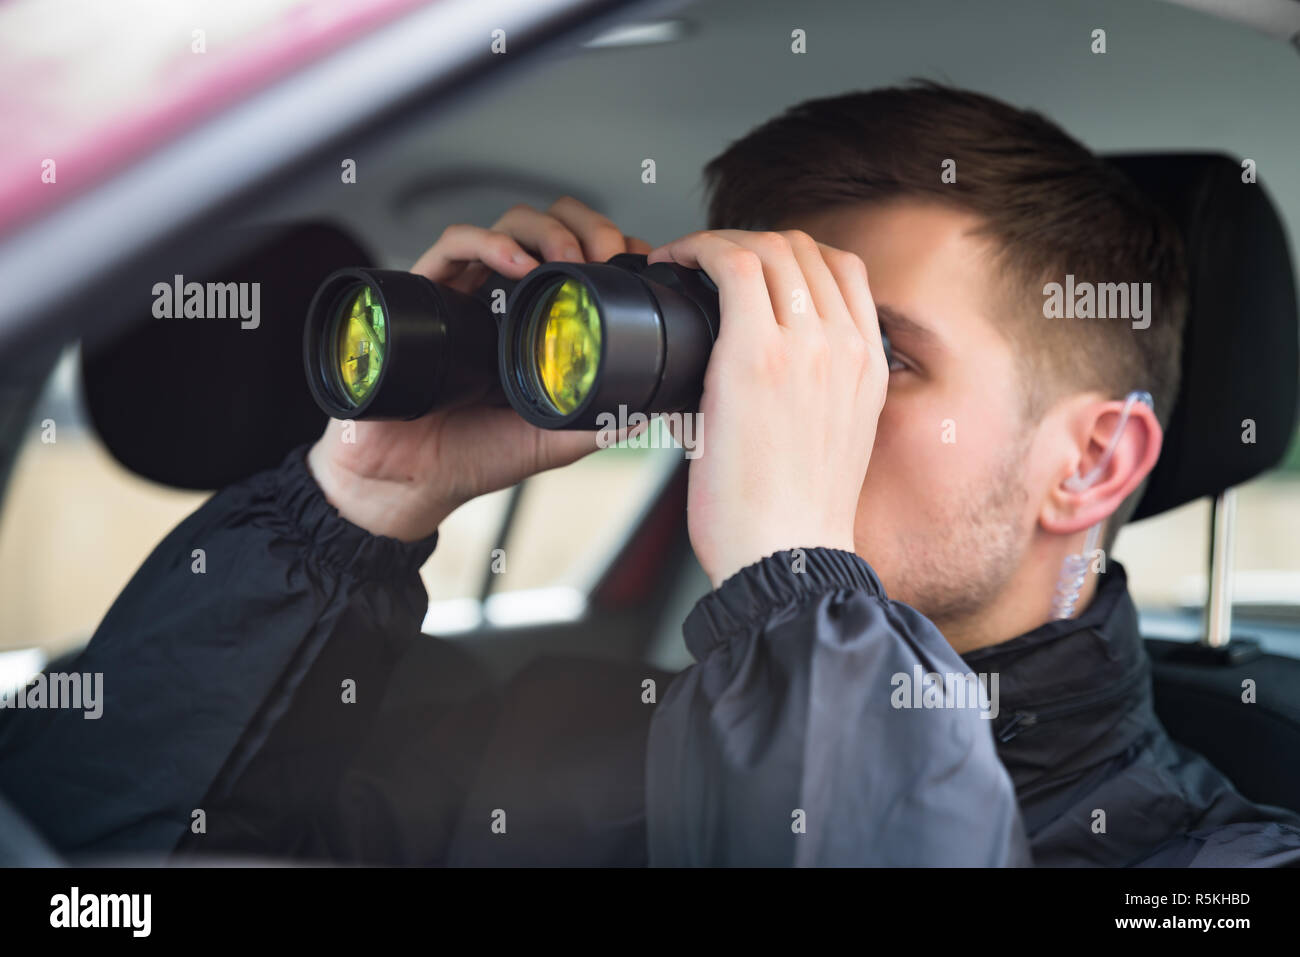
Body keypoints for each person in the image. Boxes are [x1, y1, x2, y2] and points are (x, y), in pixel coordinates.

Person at [3, 82, 1299, 866]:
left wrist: (804, 593)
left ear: (1093, 459)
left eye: (877, 355)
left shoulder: (1218, 860)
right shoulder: (553, 747)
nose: (779, 396)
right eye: (762, 340)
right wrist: (355, 508)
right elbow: (85, 860)